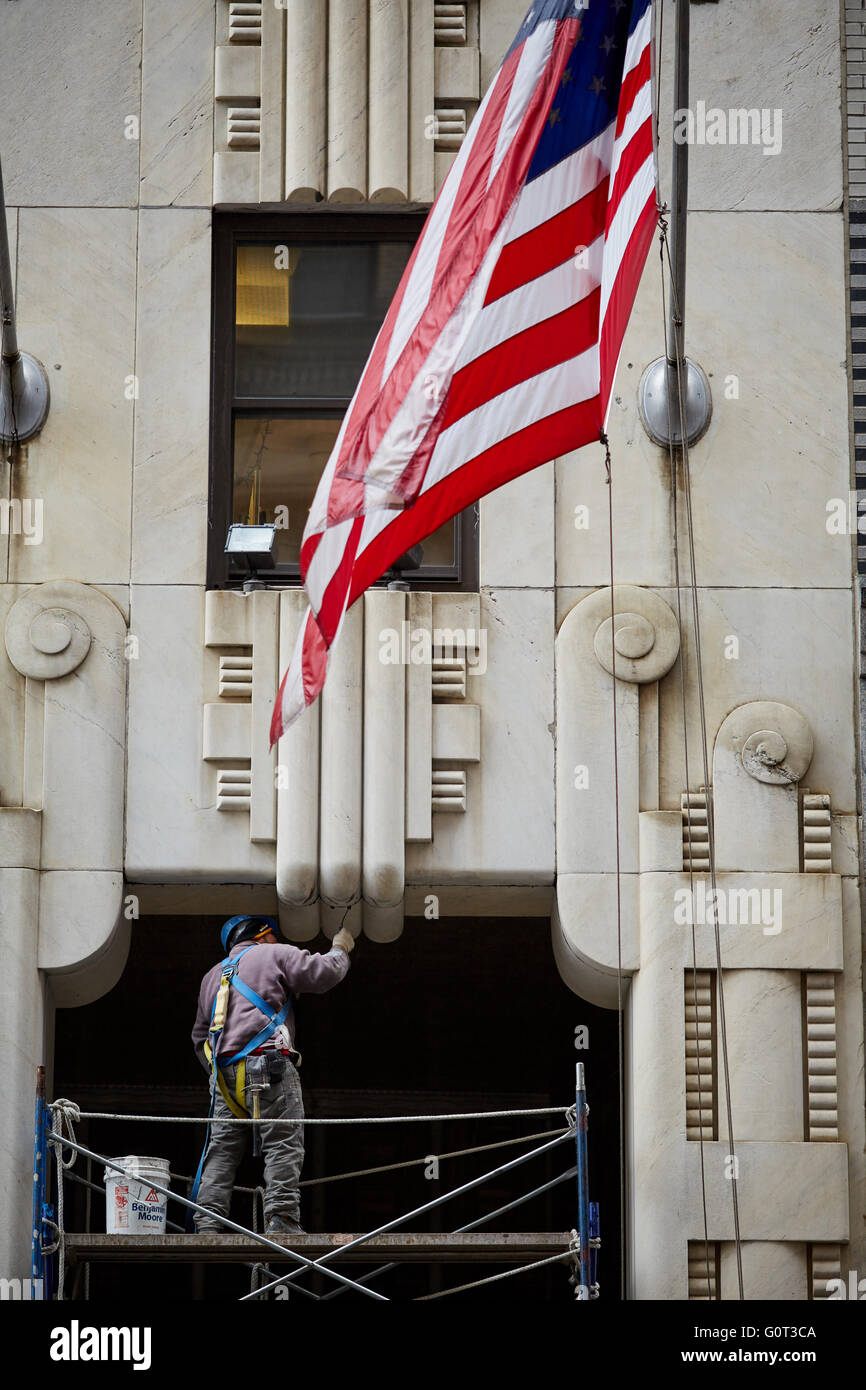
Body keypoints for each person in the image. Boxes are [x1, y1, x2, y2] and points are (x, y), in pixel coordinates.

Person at [191, 914, 353, 1236]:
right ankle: (281, 1221)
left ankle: (207, 1224)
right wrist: (341, 948)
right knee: (282, 1144)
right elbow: (324, 972)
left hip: (224, 1081)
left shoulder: (212, 977)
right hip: (269, 1065)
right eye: (274, 936)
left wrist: (219, 1075)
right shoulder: (273, 954)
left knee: (222, 1150)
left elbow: (200, 1038)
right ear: (262, 935)